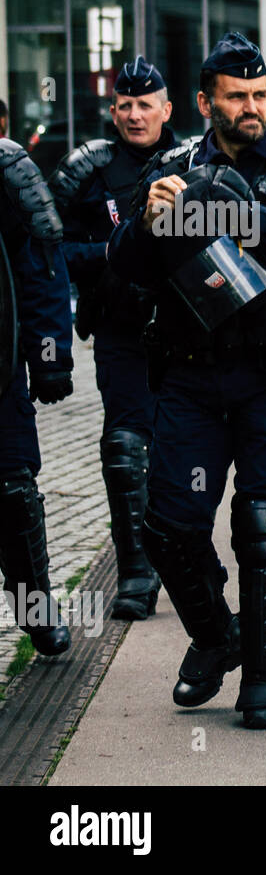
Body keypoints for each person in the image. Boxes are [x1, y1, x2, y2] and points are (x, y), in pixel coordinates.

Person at [107, 32, 266, 729]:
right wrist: (150, 219)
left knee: (263, 521)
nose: (252, 108)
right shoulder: (174, 166)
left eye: (259, 95)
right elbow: (126, 262)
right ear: (204, 102)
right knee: (168, 525)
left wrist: (249, 219)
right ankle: (216, 635)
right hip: (191, 377)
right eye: (236, 97)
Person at [49, 56, 178, 620]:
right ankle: (135, 573)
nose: (134, 114)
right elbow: (51, 254)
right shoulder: (88, 173)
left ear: (166, 109)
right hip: (121, 331)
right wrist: (107, 253)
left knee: (183, 450)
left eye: (145, 104)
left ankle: (183, 561)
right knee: (126, 447)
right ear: (112, 110)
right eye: (124, 105)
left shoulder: (196, 163)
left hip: (187, 332)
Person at [0, 139, 73, 658]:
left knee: (13, 495)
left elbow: (43, 269)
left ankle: (35, 609)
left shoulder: (8, 170)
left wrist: (50, 359)